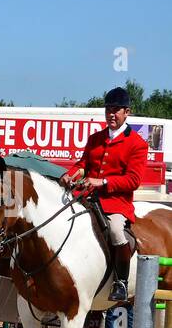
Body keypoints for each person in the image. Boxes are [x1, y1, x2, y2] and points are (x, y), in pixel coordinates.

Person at [62, 85, 148, 301]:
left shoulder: (137, 143)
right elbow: (83, 164)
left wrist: (103, 181)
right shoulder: (95, 138)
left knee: (117, 232)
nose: (111, 114)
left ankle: (120, 281)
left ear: (126, 112)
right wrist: (71, 174)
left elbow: (134, 180)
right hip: (86, 198)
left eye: (116, 110)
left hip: (116, 203)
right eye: (108, 109)